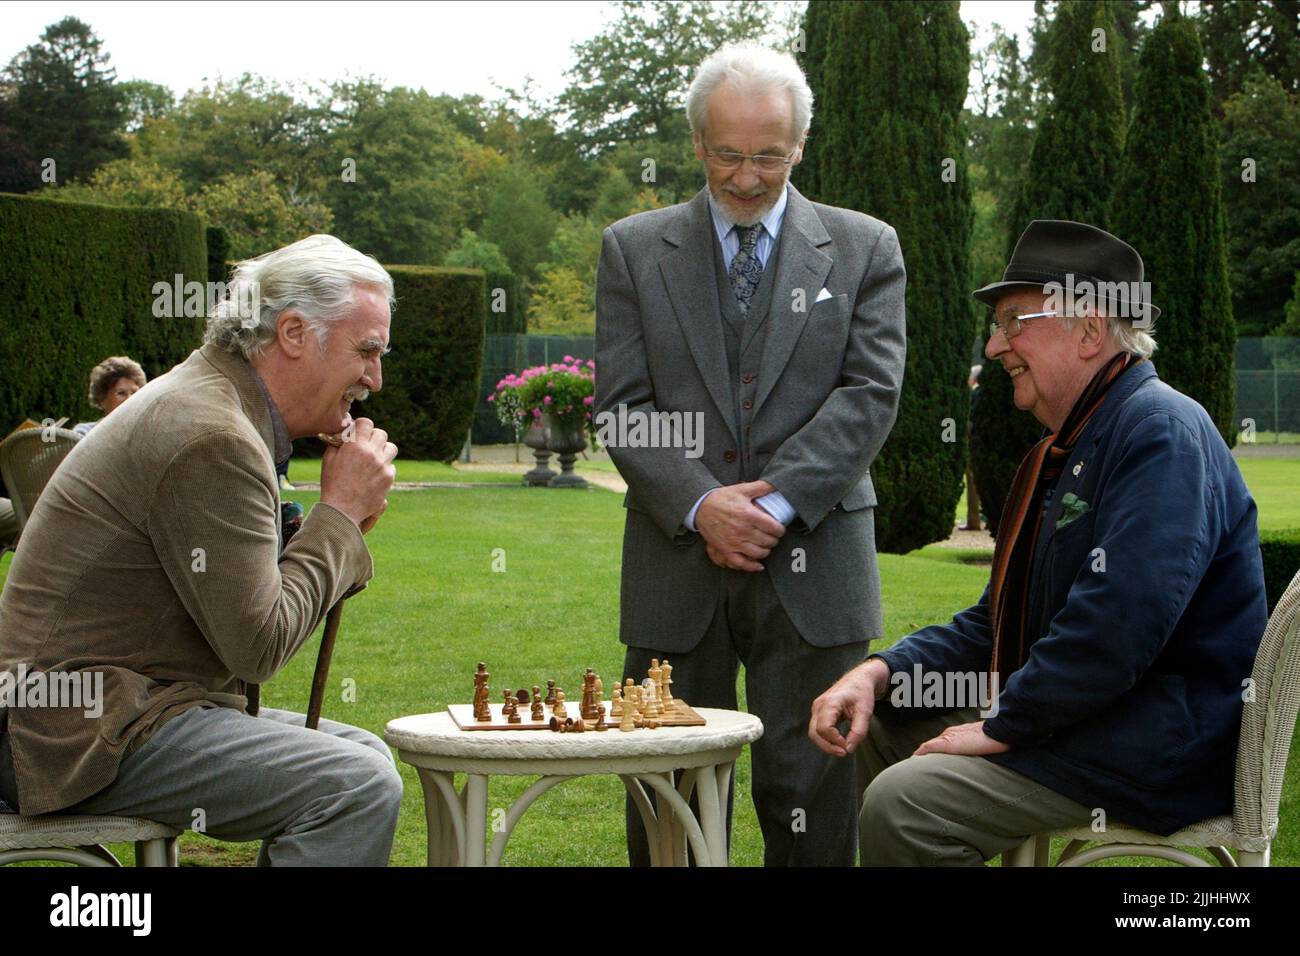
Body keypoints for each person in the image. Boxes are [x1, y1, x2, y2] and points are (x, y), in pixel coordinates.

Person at [809, 220, 1268, 865]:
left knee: (907, 804)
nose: (996, 347)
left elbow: (1117, 627)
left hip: (1153, 746)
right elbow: (994, 625)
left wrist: (1002, 725)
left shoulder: (1158, 432)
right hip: (1095, 720)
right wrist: (879, 672)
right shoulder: (1074, 446)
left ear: (1088, 329)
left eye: (1013, 321)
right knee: (885, 719)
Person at [595, 42, 907, 866]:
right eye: (728, 154)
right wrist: (703, 506)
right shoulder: (631, 249)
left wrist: (767, 507)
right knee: (671, 794)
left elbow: (869, 396)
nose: (746, 176)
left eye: (768, 155)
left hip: (818, 563)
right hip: (675, 563)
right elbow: (625, 410)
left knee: (811, 794)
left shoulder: (867, 248)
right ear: (697, 143)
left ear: (800, 145)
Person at [0, 234, 403, 865]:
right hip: (68, 728)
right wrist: (340, 515)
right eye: (368, 350)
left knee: (366, 756)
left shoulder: (216, 403)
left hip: (114, 707)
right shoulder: (211, 434)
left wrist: (334, 527)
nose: (375, 379)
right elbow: (258, 646)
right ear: (293, 333)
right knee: (352, 785)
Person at [73, 355, 147, 436]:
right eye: (121, 393)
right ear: (102, 398)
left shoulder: (148, 436)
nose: (130, 399)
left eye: (134, 393)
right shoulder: (84, 434)